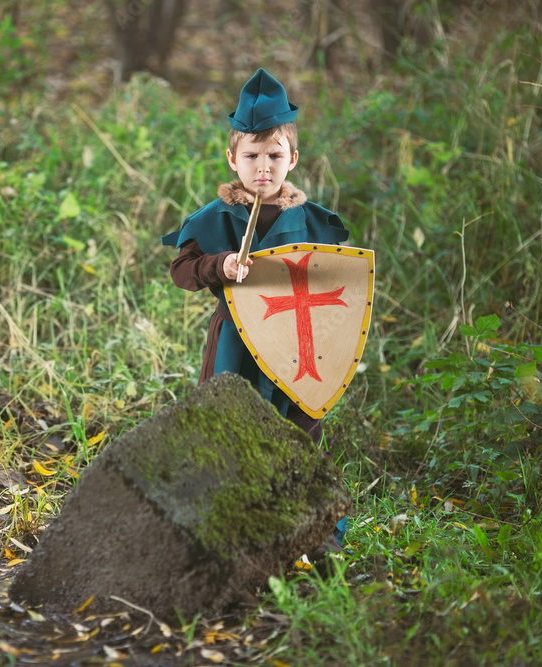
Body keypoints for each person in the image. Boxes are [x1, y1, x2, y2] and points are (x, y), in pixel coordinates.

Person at [161, 68, 349, 554]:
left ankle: (314, 533)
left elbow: (336, 278)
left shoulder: (310, 219)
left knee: (299, 428)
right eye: (251, 155)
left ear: (293, 159)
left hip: (298, 341)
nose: (262, 166)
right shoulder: (217, 217)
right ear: (232, 159)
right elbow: (182, 269)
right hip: (236, 341)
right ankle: (221, 531)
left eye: (274, 155)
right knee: (228, 431)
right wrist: (221, 264)